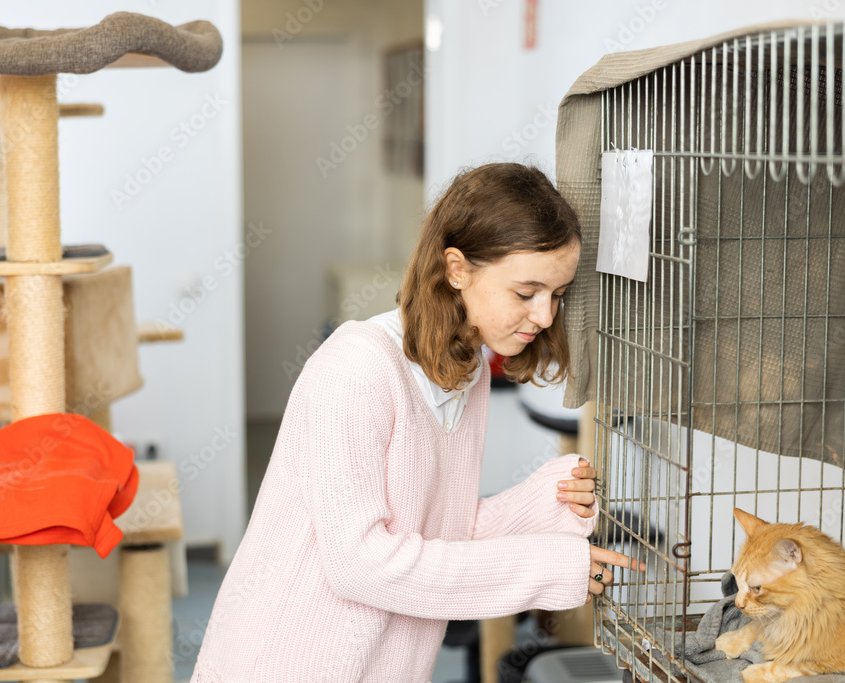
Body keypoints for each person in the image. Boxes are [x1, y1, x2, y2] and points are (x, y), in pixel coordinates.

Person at [191, 163, 644, 683]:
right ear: (457, 269)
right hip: (284, 663)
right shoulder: (355, 368)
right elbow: (363, 564)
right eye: (526, 293)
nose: (544, 316)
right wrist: (546, 569)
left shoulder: (466, 373)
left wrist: (546, 498)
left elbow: (439, 528)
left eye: (557, 295)